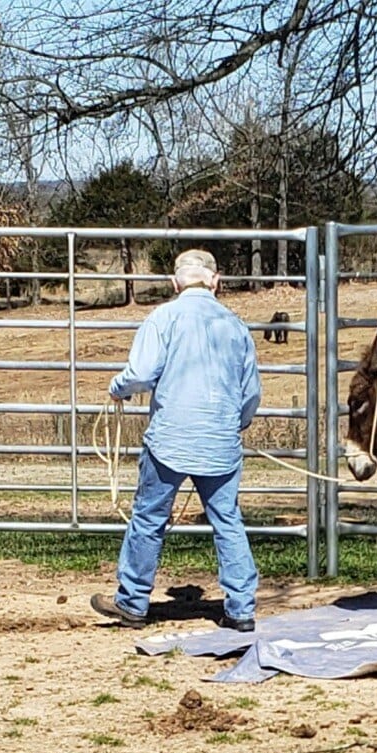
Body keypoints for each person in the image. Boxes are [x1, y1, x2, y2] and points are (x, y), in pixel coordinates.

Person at [90, 249, 262, 631]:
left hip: (170, 437)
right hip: (219, 438)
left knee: (149, 516)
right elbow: (251, 392)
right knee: (227, 521)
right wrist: (238, 422)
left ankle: (133, 601)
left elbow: (142, 372)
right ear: (215, 281)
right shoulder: (235, 326)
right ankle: (241, 608)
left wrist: (118, 388)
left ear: (175, 283)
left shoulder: (163, 317)